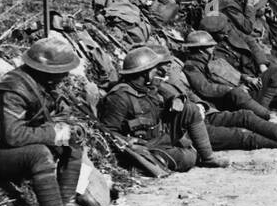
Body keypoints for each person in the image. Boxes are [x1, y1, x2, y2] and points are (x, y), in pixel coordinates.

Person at [0, 35, 99, 206]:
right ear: (47, 71)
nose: (66, 75)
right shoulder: (13, 89)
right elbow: (13, 135)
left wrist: (70, 128)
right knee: (39, 154)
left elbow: (57, 114)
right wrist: (56, 133)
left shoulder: (41, 85)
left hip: (7, 147)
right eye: (62, 71)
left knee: (72, 142)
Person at [99, 47, 232, 173]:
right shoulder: (120, 97)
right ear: (145, 73)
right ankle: (190, 156)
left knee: (190, 109)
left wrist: (177, 101)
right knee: (188, 158)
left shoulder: (148, 87)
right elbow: (108, 131)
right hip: (146, 146)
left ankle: (208, 158)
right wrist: (129, 141)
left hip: (159, 135)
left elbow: (172, 97)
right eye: (155, 69)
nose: (159, 71)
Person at [179, 31, 277, 149]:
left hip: (240, 92)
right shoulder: (192, 67)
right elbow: (205, 88)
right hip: (222, 101)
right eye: (210, 46)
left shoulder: (212, 59)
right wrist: (231, 89)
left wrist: (247, 78)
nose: (213, 48)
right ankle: (270, 118)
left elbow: (231, 73)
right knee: (242, 115)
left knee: (274, 72)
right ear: (201, 50)